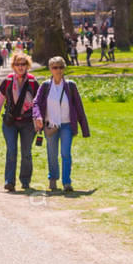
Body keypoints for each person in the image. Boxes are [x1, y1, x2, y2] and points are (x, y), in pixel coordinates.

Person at [34, 57, 90, 192]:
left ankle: (66, 182)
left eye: (60, 67)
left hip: (66, 125)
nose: (58, 70)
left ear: (64, 69)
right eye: (55, 67)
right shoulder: (46, 86)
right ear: (50, 69)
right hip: (51, 126)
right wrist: (38, 117)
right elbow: (36, 103)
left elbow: (79, 107)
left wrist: (84, 129)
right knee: (52, 154)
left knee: (66, 153)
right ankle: (52, 179)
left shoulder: (71, 86)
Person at [0, 53, 39, 192]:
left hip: (28, 123)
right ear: (13, 66)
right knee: (11, 151)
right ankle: (9, 181)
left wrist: (39, 120)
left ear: (27, 65)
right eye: (18, 64)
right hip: (10, 122)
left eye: (23, 64)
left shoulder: (32, 82)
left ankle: (25, 181)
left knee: (26, 153)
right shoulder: (8, 81)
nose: (21, 67)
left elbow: (38, 104)